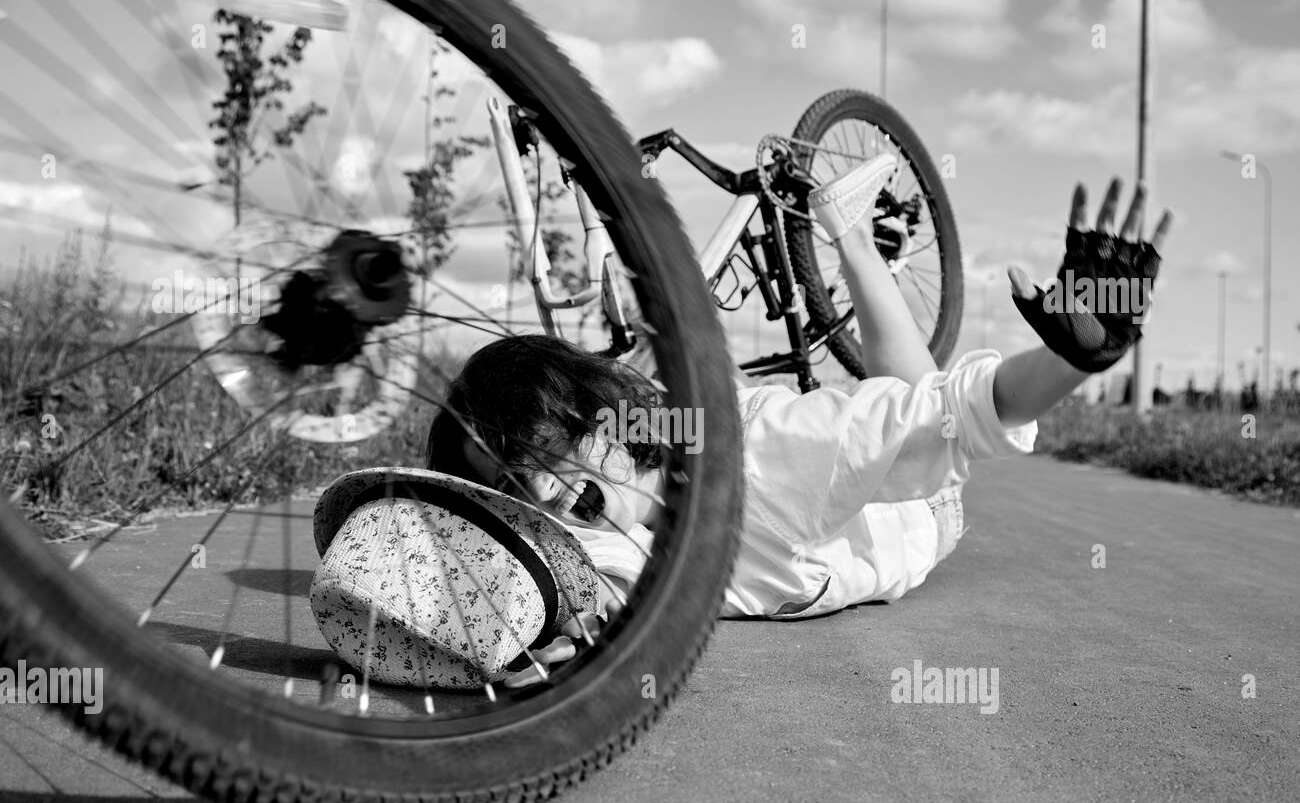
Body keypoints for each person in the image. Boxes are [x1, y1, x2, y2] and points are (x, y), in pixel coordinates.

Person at [425, 155, 1173, 685]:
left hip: (917, 512)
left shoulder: (761, 460)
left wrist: (1074, 360)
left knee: (919, 403)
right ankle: (844, 230)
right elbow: (568, 602)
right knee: (898, 395)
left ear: (597, 422)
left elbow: (972, 412)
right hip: (707, 441)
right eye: (513, 485)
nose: (545, 493)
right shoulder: (589, 537)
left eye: (545, 453)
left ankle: (847, 233)